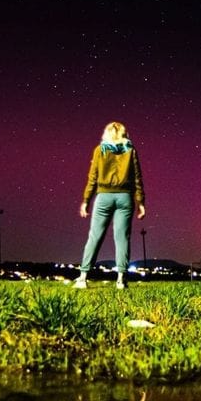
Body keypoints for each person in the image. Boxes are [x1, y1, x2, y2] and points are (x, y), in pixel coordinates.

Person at [72, 121, 146, 289]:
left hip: (103, 196)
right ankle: (121, 279)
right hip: (125, 198)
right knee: (122, 238)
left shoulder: (100, 150)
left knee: (95, 236)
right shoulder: (131, 151)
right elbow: (137, 179)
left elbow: (92, 177)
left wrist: (86, 201)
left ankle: (83, 278)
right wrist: (140, 202)